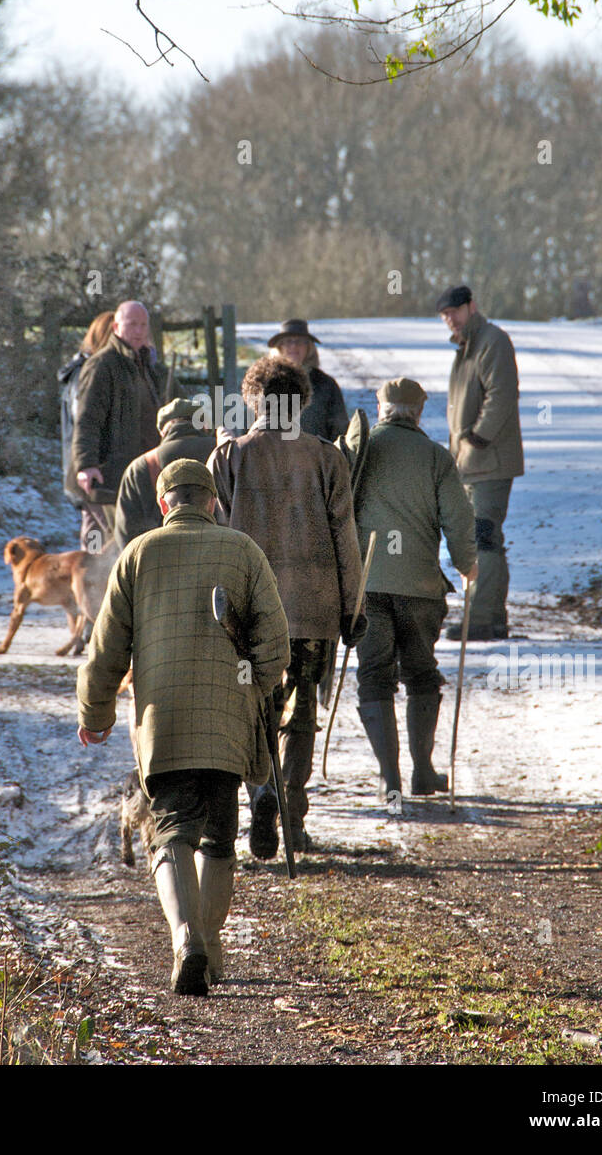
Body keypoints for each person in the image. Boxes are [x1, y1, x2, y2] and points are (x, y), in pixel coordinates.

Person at [76, 459, 290, 996]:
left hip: (163, 721)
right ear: (213, 501)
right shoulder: (243, 551)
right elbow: (275, 645)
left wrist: (94, 714)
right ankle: (212, 949)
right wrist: (254, 686)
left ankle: (185, 937)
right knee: (219, 835)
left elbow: (105, 651)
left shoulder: (139, 553)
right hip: (226, 722)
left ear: (164, 502)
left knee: (170, 830)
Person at [210, 356, 365, 856]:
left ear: (251, 401)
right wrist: (352, 609)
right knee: (300, 716)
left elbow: (216, 542)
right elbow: (347, 541)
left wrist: (217, 610)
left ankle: (260, 791)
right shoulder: (327, 459)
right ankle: (291, 815)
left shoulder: (229, 457)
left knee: (254, 709)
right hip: (313, 612)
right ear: (302, 402)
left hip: (250, 616)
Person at [343, 378, 477, 798]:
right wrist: (466, 564)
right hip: (420, 587)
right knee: (421, 674)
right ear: (419, 411)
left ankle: (390, 777)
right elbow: (457, 518)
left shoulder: (356, 450)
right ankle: (423, 771)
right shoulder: (436, 457)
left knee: (374, 676)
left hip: (368, 584)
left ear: (380, 408)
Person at [436, 284, 524, 641]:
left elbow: (502, 393)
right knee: (484, 538)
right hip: (472, 462)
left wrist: (478, 437)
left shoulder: (492, 340)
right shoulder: (467, 346)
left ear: (471, 306)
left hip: (489, 459)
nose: (450, 321)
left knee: (482, 537)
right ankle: (492, 616)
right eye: (444, 316)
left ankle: (483, 617)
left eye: (454, 313)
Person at [66, 300, 183, 551]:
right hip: (110, 475)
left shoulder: (151, 368)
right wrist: (86, 464)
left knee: (138, 545)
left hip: (144, 473)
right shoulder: (102, 365)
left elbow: (176, 404)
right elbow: (87, 420)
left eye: (143, 325)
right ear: (117, 326)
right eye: (132, 324)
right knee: (114, 549)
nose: (139, 330)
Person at [113, 397, 217, 551]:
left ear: (162, 431)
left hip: (161, 563)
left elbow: (126, 534)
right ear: (204, 426)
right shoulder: (226, 452)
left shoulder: (141, 467)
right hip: (223, 559)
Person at [58, 311, 114, 542]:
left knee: (94, 534)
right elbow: (84, 421)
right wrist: (88, 463)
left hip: (85, 466)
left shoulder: (84, 369)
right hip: (92, 469)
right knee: (110, 537)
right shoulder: (88, 372)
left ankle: (90, 578)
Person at [267, 318, 348, 441]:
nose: (294, 346)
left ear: (309, 347)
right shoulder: (266, 382)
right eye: (288, 341)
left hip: (317, 457)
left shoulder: (325, 384)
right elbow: (251, 427)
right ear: (279, 347)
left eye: (300, 341)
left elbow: (340, 430)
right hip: (274, 457)